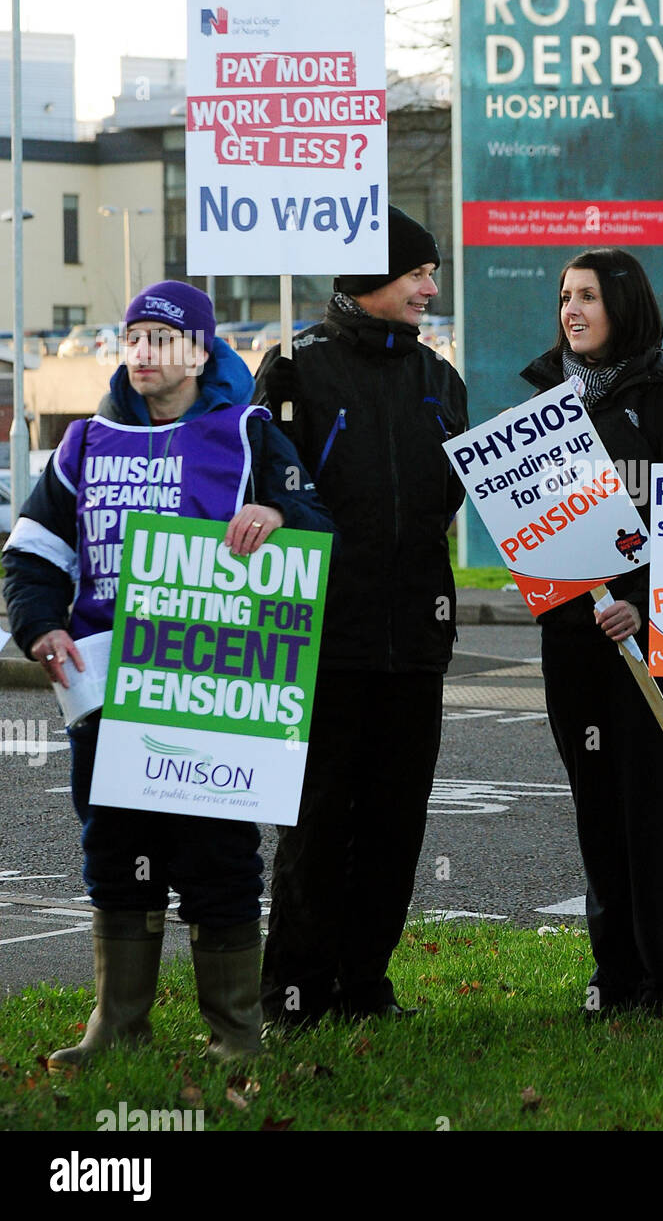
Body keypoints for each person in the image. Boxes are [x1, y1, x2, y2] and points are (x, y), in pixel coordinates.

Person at [2, 281, 334, 1066]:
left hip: (212, 686)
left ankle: (236, 1034)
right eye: (135, 337)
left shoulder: (246, 432)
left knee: (216, 854)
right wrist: (40, 624)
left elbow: (318, 523)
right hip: (106, 690)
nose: (144, 352)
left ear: (200, 348)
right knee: (115, 851)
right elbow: (33, 552)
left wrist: (278, 517)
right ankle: (117, 1025)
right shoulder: (85, 442)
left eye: (162, 337)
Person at [255, 206, 467, 1027]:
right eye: (416, 271)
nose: (429, 286)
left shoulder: (438, 380)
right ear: (369, 277)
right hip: (322, 642)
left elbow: (467, 491)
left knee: (394, 823)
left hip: (415, 639)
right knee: (315, 824)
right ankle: (294, 992)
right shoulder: (295, 370)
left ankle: (364, 986)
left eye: (431, 272)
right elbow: (262, 491)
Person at [520, 248, 663, 1015]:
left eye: (588, 297)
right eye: (564, 296)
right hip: (568, 640)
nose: (571, 311)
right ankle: (616, 978)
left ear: (624, 307)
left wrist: (644, 599)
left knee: (649, 812)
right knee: (594, 806)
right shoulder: (543, 408)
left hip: (647, 642)